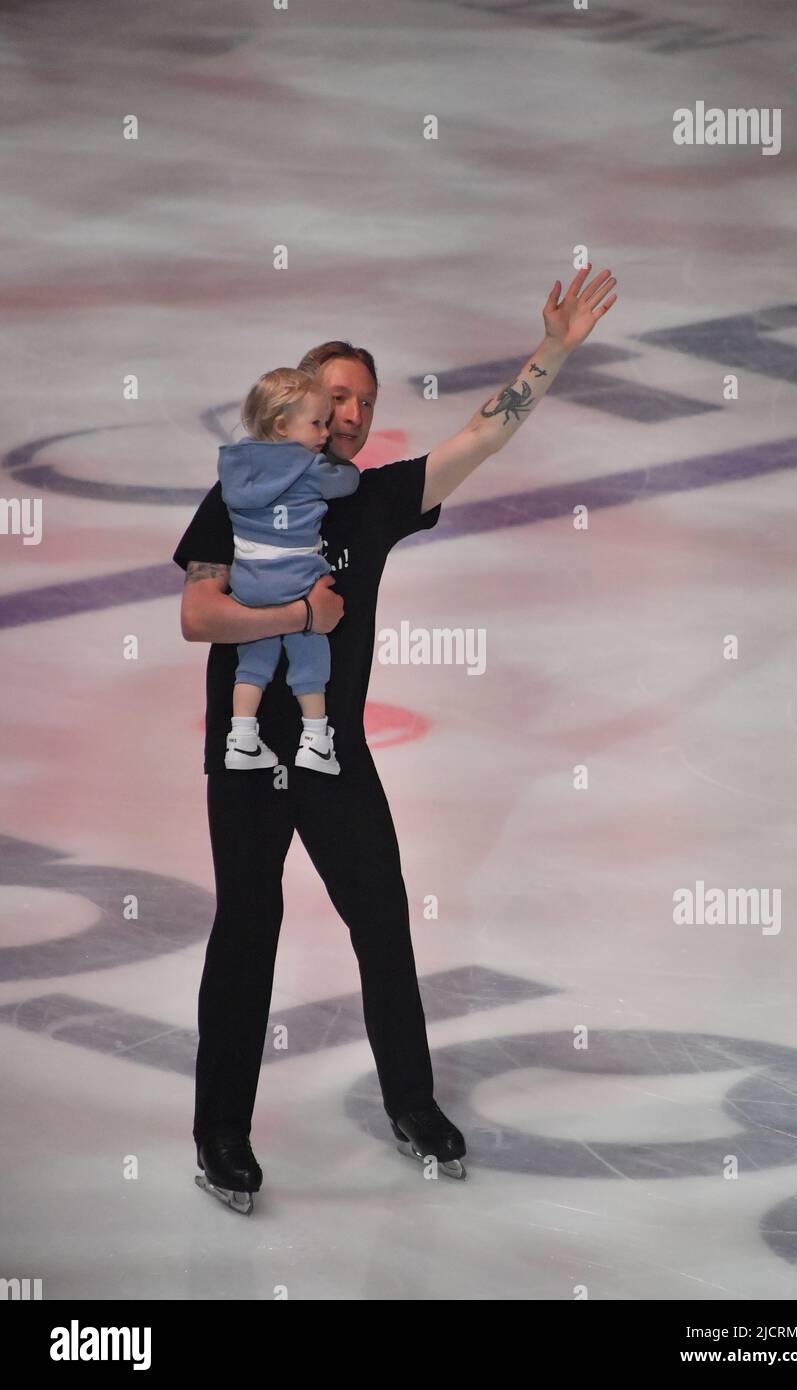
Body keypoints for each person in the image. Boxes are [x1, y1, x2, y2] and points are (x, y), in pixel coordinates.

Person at [174, 264, 618, 1213]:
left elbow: (482, 436)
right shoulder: (238, 495)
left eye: (365, 403)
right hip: (248, 755)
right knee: (250, 930)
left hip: (334, 756)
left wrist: (552, 352)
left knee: (381, 918)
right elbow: (198, 617)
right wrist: (297, 611)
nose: (351, 414)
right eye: (337, 395)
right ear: (298, 398)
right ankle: (222, 1138)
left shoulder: (373, 501)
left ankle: (411, 1106)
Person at [218, 368, 360, 775]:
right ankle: (316, 739)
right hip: (296, 576)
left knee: (255, 652)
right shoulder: (309, 467)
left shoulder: (236, 465)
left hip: (249, 579)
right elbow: (346, 482)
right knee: (309, 646)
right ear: (282, 426)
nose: (325, 433)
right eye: (316, 423)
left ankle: (242, 737)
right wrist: (338, 466)